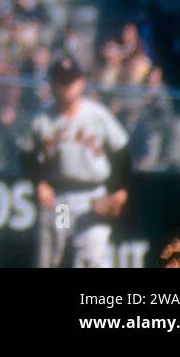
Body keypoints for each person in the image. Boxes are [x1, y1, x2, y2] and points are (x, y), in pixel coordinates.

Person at [24, 55, 131, 268]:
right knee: (51, 259)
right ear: (52, 84)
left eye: (71, 80)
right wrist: (39, 183)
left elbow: (122, 153)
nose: (67, 86)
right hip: (59, 198)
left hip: (91, 197)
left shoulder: (97, 115)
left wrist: (120, 190)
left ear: (81, 82)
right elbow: (26, 154)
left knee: (93, 259)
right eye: (61, 80)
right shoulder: (43, 118)